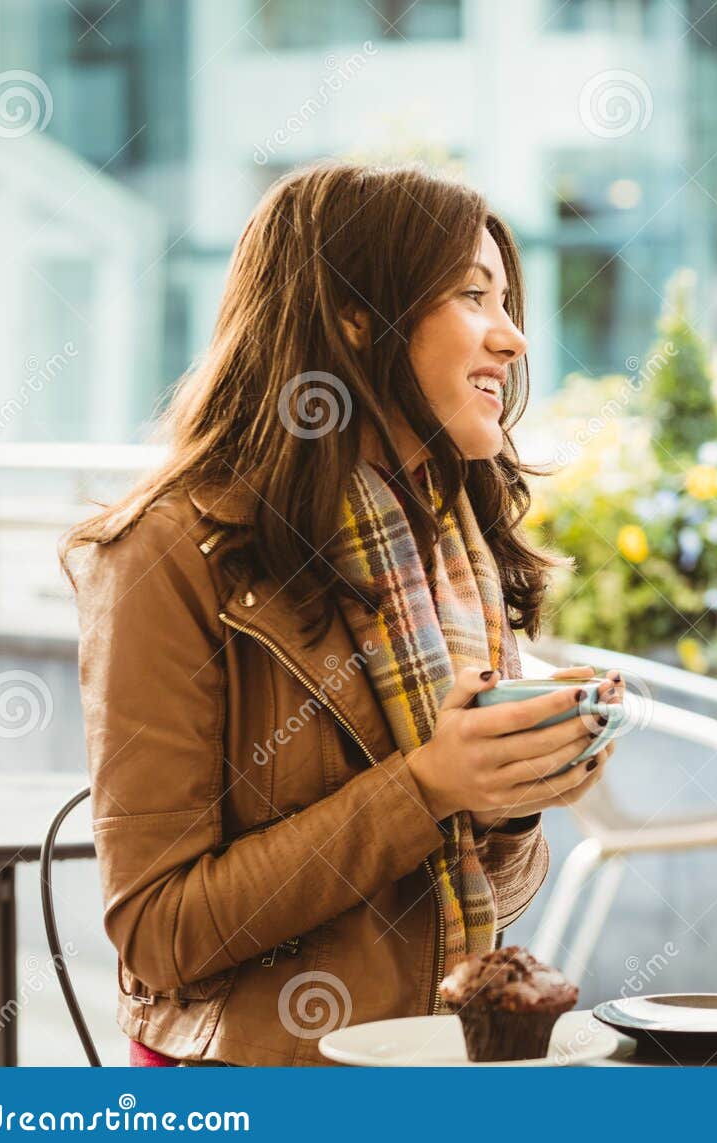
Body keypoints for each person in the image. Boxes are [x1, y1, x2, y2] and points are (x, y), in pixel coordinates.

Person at [61, 161, 616, 1065]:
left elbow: (472, 895)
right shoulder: (167, 552)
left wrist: (514, 795)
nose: (513, 338)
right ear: (355, 318)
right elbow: (158, 934)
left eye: (508, 301)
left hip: (433, 1060)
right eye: (474, 296)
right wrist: (428, 786)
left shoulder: (447, 536)